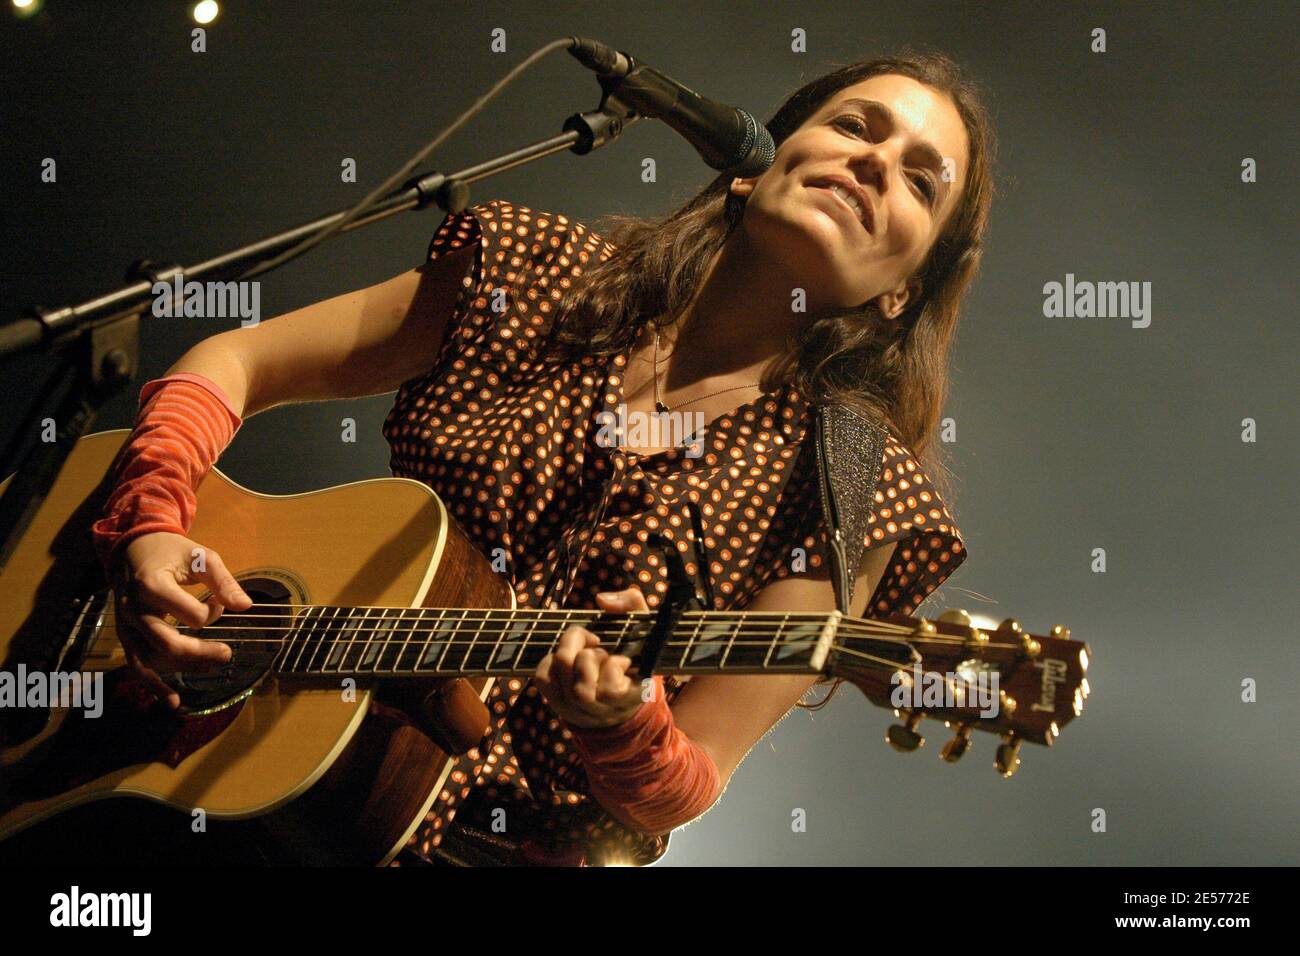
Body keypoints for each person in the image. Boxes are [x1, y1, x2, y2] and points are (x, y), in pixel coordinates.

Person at [93, 50, 997, 866]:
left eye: (922, 181)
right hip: (194, 768)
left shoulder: (856, 494)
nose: (875, 163)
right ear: (753, 166)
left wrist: (624, 727)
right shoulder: (534, 272)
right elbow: (235, 361)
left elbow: (697, 774)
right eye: (852, 125)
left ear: (901, 291)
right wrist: (151, 524)